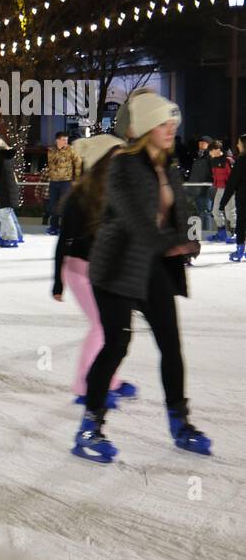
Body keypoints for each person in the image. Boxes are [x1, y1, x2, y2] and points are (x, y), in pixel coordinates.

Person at [73, 93, 210, 463]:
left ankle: (180, 423)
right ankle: (89, 427)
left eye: (173, 125)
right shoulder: (122, 166)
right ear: (148, 127)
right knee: (117, 346)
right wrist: (177, 245)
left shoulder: (166, 166)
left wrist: (182, 241)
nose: (171, 130)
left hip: (151, 268)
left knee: (171, 345)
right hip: (117, 266)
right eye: (164, 125)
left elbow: (175, 217)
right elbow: (136, 223)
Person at [53, 133, 133, 412]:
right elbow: (63, 241)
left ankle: (108, 378)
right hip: (79, 271)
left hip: (104, 269)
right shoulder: (80, 198)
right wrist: (57, 283)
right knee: (102, 326)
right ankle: (84, 385)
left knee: (113, 329)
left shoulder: (115, 193)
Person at [0, 135, 24, 248]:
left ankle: (12, 237)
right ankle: (5, 236)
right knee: (3, 213)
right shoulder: (7, 156)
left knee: (4, 213)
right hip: (7, 187)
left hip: (5, 189)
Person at [45, 131, 82, 234]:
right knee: (53, 205)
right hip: (54, 181)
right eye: (63, 140)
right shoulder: (51, 150)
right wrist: (60, 150)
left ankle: (64, 227)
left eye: (66, 140)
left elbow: (78, 162)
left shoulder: (71, 150)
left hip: (66, 181)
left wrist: (77, 178)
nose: (66, 142)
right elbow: (52, 161)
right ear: (57, 140)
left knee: (65, 205)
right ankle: (54, 226)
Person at [219, 134, 246, 262]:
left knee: (241, 222)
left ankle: (240, 249)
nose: (237, 145)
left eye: (239, 143)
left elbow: (232, 183)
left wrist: (222, 202)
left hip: (243, 198)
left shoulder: (242, 160)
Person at [207, 140, 233, 242]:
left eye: (211, 151)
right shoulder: (213, 160)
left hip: (229, 189)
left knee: (230, 211)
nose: (210, 153)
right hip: (220, 188)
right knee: (215, 211)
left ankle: (236, 235)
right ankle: (221, 233)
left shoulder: (227, 160)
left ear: (217, 150)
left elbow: (233, 176)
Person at [187, 134, 214, 232]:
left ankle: (206, 234)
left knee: (206, 213)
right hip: (196, 189)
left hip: (206, 189)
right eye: (200, 142)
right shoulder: (198, 156)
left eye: (204, 142)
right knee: (200, 213)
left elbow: (213, 173)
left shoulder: (210, 157)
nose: (201, 144)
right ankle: (203, 233)